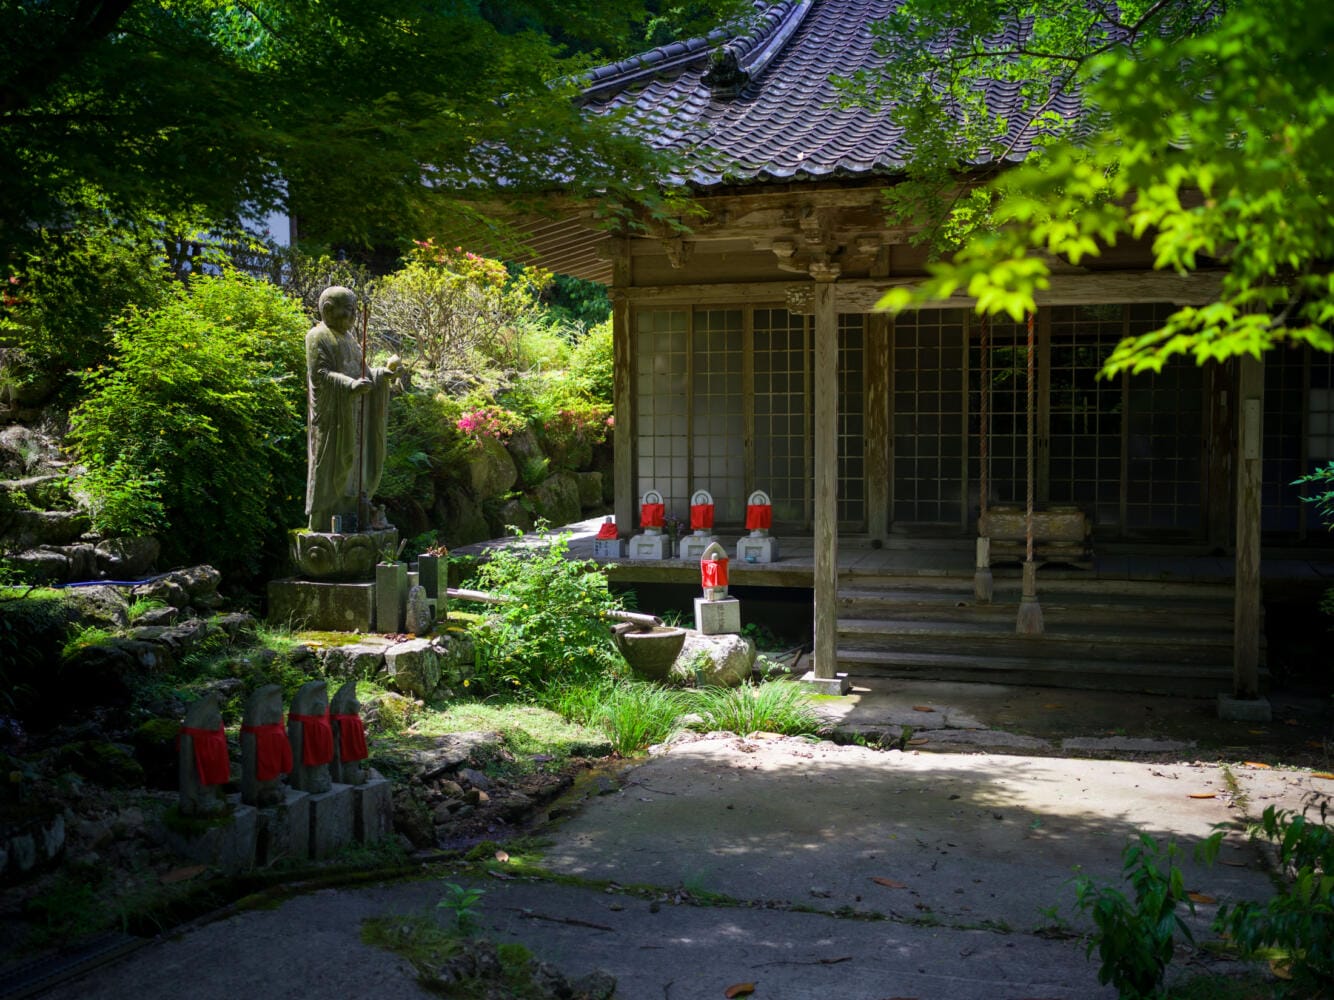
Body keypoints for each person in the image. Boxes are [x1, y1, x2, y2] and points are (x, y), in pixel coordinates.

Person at [305, 286, 400, 531]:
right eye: (347, 311)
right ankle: (325, 520)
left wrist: (381, 375)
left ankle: (356, 515)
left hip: (356, 413)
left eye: (354, 312)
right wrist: (349, 385)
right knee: (332, 464)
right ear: (328, 309)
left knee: (356, 468)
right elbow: (320, 374)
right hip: (334, 416)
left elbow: (364, 372)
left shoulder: (350, 339)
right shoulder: (318, 336)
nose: (352, 318)